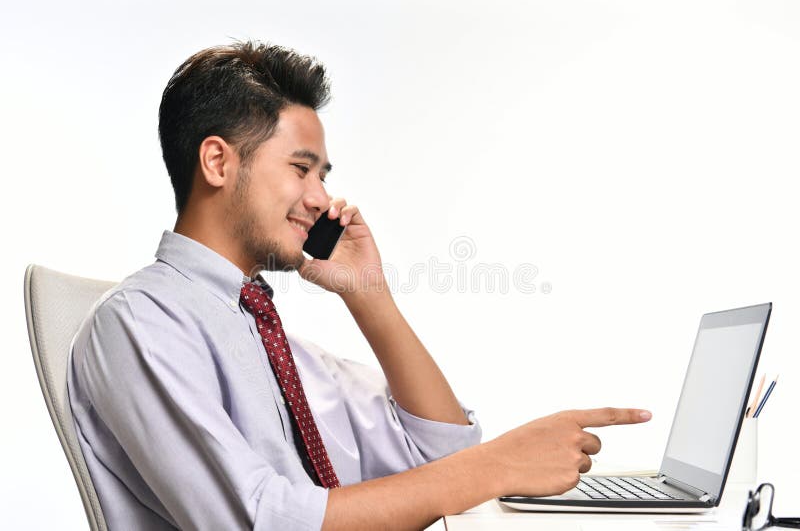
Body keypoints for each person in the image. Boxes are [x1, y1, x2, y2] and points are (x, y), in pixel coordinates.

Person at [67, 40, 652, 531]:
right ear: (218, 163)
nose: (322, 198)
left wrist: (369, 297)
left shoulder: (275, 342)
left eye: (323, 175)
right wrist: (498, 466)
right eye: (301, 168)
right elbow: (259, 519)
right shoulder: (139, 322)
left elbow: (446, 460)